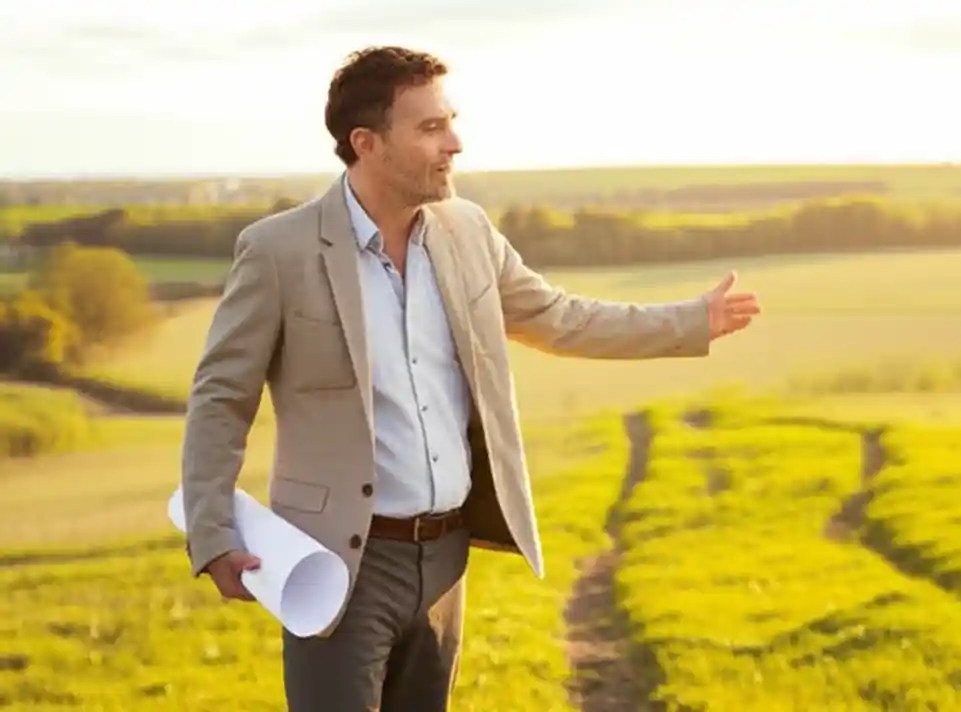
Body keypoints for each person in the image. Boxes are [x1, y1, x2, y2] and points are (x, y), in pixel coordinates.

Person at [178, 44, 761, 711]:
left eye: (450, 121)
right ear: (366, 143)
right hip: (339, 563)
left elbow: (560, 317)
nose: (455, 142)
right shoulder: (279, 249)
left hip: (445, 559)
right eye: (430, 127)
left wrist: (691, 321)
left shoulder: (468, 231)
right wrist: (213, 531)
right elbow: (221, 398)